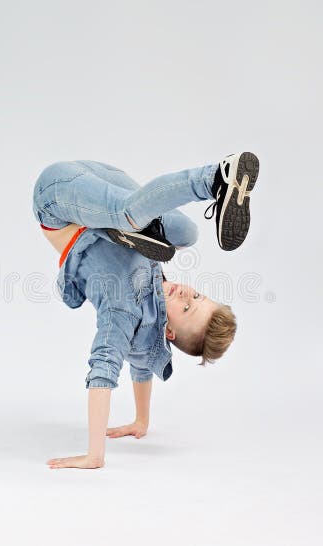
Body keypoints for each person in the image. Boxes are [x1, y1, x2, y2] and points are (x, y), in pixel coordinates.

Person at [32, 152, 260, 469]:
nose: (185, 292)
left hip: (56, 196)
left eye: (186, 307)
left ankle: (214, 178)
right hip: (99, 177)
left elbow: (104, 369)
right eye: (197, 295)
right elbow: (143, 362)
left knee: (127, 213)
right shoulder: (153, 321)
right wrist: (141, 421)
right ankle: (138, 227)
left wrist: (94, 454)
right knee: (187, 234)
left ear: (170, 331)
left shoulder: (124, 313)